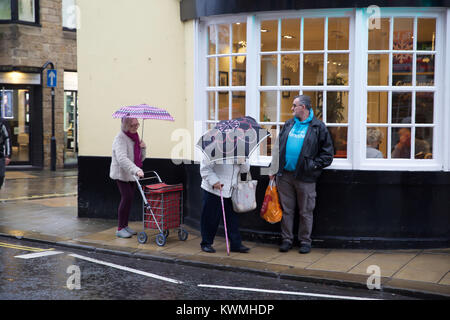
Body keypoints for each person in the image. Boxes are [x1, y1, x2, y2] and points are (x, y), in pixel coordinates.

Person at [268, 95, 334, 254]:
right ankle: (287, 240)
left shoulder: (318, 127)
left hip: (306, 176)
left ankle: (305, 241)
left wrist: (311, 166)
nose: (291, 109)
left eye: (294, 105)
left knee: (305, 211)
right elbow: (278, 148)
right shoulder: (289, 124)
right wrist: (272, 169)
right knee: (287, 210)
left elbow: (327, 155)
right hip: (285, 175)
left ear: (303, 107)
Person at [199, 158, 251, 253]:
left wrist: (243, 161)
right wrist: (214, 181)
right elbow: (205, 168)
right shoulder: (214, 147)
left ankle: (236, 244)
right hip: (215, 188)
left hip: (231, 189)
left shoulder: (239, 150)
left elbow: (245, 170)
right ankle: (206, 243)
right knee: (210, 218)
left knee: (232, 219)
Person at [110, 117, 146, 238]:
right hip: (122, 174)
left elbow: (140, 158)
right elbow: (122, 159)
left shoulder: (135, 137)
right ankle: (120, 228)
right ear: (126, 126)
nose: (136, 127)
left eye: (137, 124)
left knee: (129, 199)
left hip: (132, 174)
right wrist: (136, 170)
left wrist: (143, 148)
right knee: (127, 197)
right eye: (133, 125)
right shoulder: (120, 138)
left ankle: (125, 226)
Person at [0, 118, 11, 189]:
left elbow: (7, 139)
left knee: (1, 175)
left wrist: (7, 155)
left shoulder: (2, 123)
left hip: (0, 154)